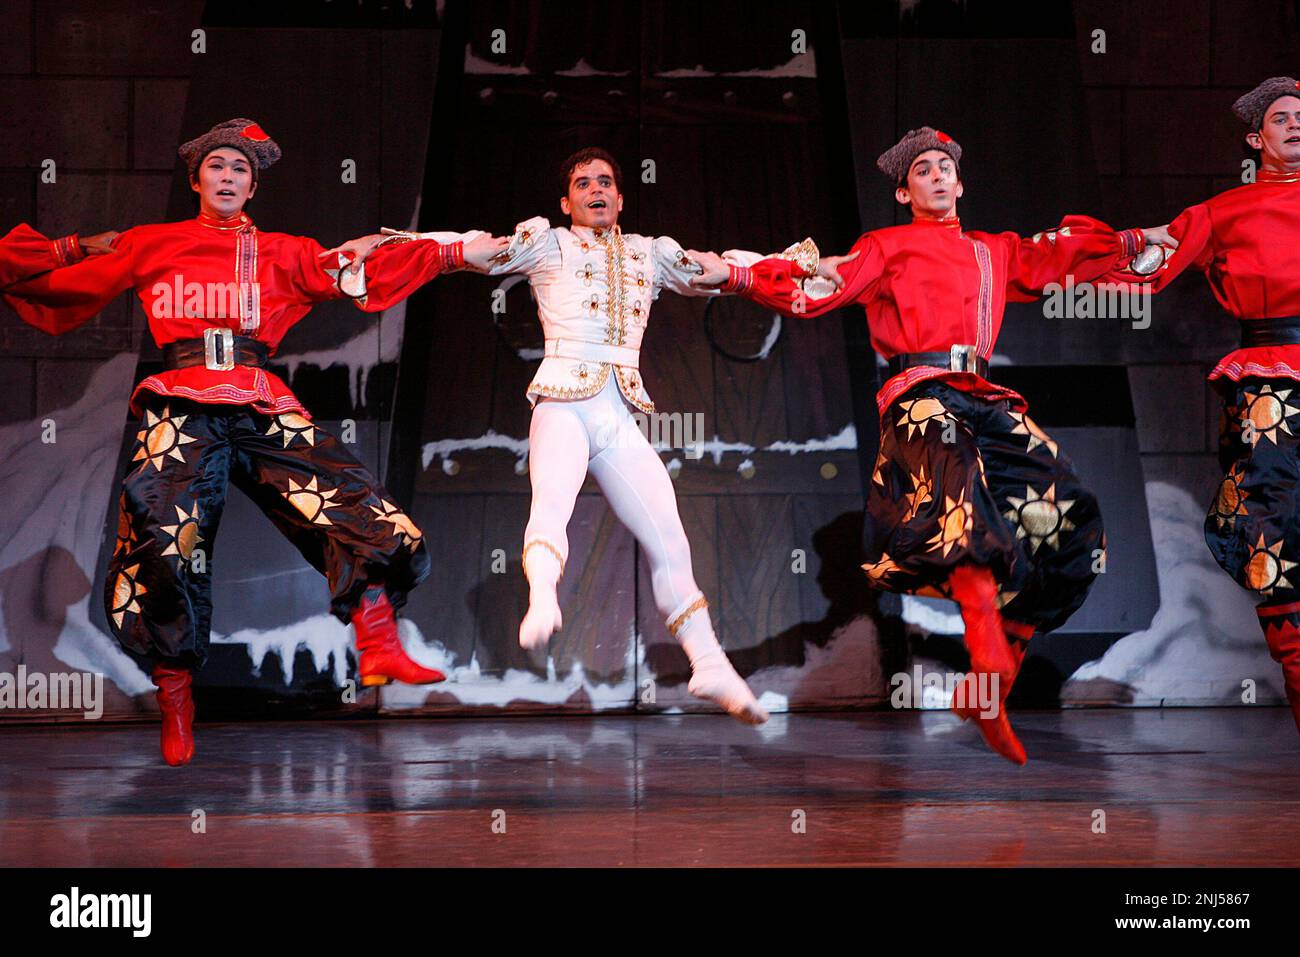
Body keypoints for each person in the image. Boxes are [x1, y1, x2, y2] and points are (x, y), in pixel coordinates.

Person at [2, 118, 506, 765]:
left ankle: (376, 636)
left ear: (252, 186)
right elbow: (47, 269)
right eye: (217, 166)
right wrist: (73, 245)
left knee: (346, 498)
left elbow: (354, 267)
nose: (228, 176)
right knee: (162, 534)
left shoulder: (283, 253)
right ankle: (176, 690)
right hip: (181, 401)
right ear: (196, 180)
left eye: (240, 170)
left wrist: (452, 253)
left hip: (260, 397)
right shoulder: (155, 243)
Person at [694, 127, 1154, 761]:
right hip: (920, 390)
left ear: (960, 183)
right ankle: (984, 644)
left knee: (1071, 513)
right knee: (953, 478)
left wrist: (1133, 241)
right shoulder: (886, 247)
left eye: (945, 168)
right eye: (922, 172)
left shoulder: (994, 250)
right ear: (905, 192)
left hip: (985, 395)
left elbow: (1063, 256)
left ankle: (991, 682)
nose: (936, 176)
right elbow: (820, 285)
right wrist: (740, 276)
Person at [348, 147, 770, 724]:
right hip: (563, 404)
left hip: (618, 416)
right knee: (552, 506)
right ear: (566, 201)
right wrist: (398, 244)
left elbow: (719, 272)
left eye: (605, 182)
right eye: (582, 182)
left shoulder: (653, 253)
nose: (595, 189)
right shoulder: (548, 243)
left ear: (620, 197)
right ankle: (543, 596)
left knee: (671, 539)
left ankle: (710, 664)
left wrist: (787, 271)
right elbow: (472, 253)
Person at [1096, 77, 1300, 733]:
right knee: (1270, 535)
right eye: (1282, 117)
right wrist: (1049, 256)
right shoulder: (1225, 212)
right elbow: (1144, 257)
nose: (1297, 125)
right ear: (1255, 137)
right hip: (1271, 381)